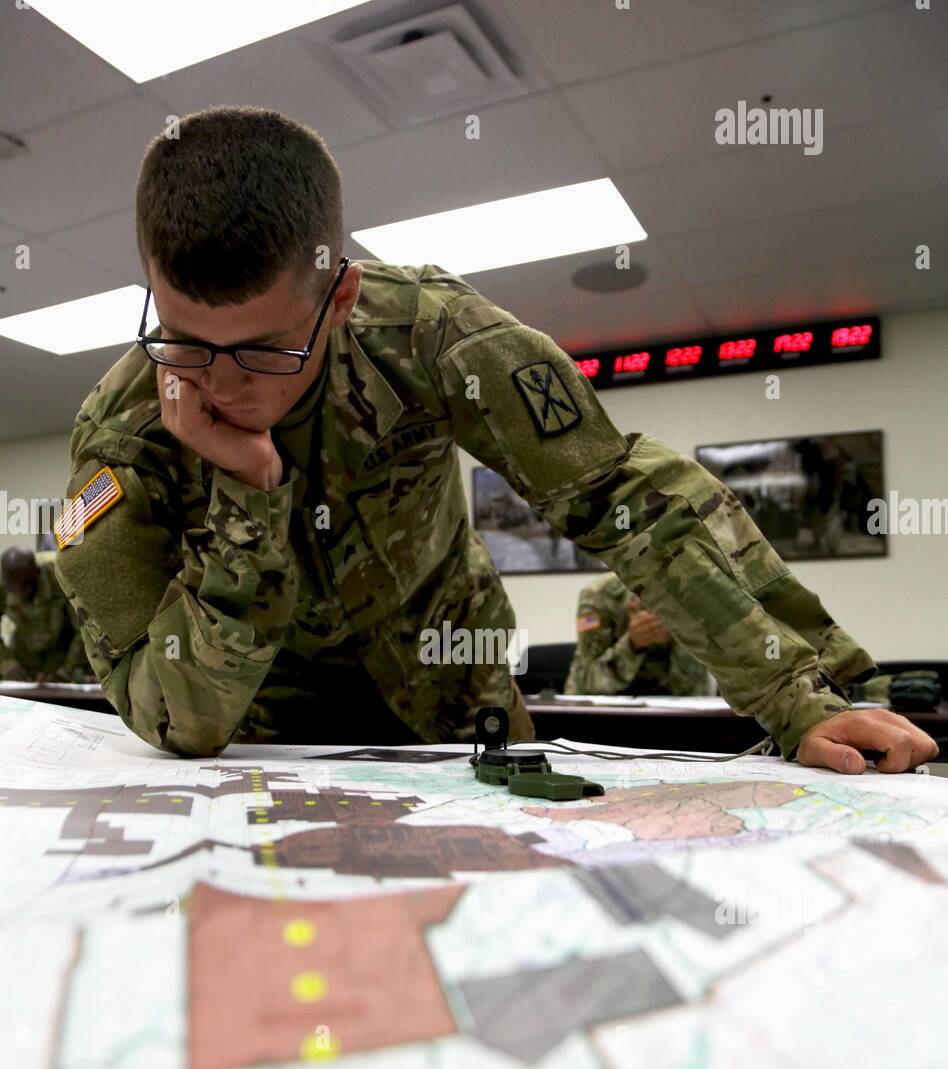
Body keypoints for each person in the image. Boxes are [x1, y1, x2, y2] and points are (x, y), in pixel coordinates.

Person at [55, 106, 937, 775]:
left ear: (342, 297)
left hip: (457, 692)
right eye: (183, 340)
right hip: (267, 737)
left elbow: (622, 499)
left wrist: (793, 698)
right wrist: (249, 498)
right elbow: (176, 719)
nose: (221, 383)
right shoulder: (121, 440)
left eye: (265, 347)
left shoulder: (433, 337)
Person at [566, 575, 709, 697]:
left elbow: (693, 687)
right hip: (602, 710)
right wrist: (632, 645)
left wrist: (680, 637)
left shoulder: (691, 597)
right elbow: (589, 681)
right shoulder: (597, 597)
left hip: (673, 708)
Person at [0, 547, 93, 682]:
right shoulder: (5, 584)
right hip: (24, 657)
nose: (17, 593)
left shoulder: (60, 578)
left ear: (36, 573)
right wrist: (6, 663)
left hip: (63, 656)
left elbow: (84, 630)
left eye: (24, 586)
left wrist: (66, 671)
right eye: (12, 588)